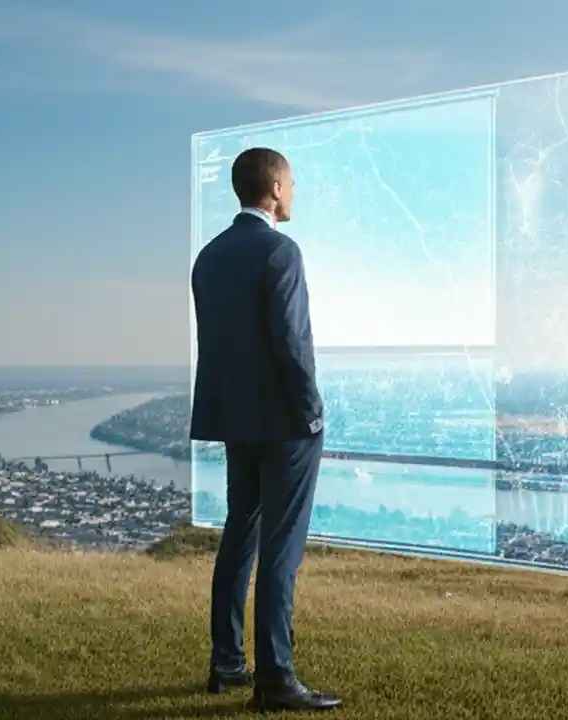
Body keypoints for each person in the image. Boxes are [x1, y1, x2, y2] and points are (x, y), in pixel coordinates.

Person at [190, 147, 341, 711]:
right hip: (284, 423)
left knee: (240, 536)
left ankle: (227, 663)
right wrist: (311, 412)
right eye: (293, 184)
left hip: (237, 421)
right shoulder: (280, 251)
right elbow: (292, 343)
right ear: (274, 188)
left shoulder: (209, 257)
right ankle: (275, 679)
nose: (294, 192)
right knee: (281, 549)